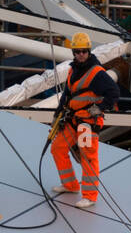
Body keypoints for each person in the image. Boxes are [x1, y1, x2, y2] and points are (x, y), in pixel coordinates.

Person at [49, 32, 119, 208]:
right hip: (73, 118)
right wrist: (57, 114)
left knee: (88, 156)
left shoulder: (96, 73)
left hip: (88, 121)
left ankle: (89, 195)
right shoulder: (73, 69)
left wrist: (100, 108)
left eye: (84, 51)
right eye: (77, 51)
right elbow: (67, 94)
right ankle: (71, 185)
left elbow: (113, 92)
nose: (81, 54)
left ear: (89, 51)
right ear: (73, 52)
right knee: (57, 148)